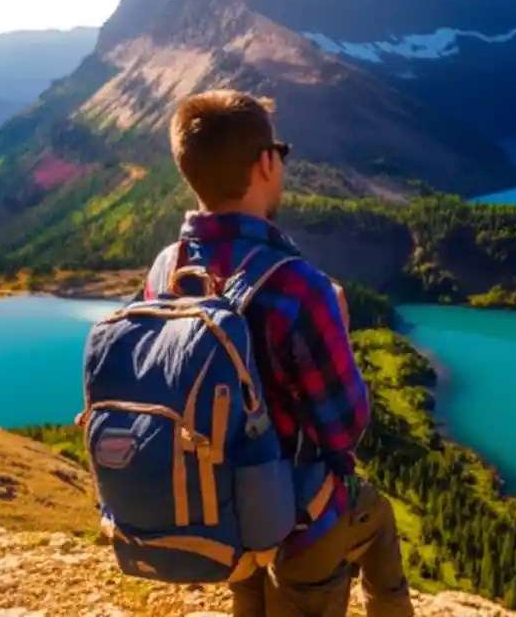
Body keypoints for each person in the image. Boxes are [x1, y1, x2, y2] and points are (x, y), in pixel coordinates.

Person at [142, 90, 414, 617]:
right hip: (298, 520)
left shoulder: (164, 270)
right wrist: (341, 329)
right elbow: (344, 427)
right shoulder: (298, 288)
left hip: (214, 511)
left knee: (250, 584)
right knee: (376, 520)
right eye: (279, 153)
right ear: (266, 162)